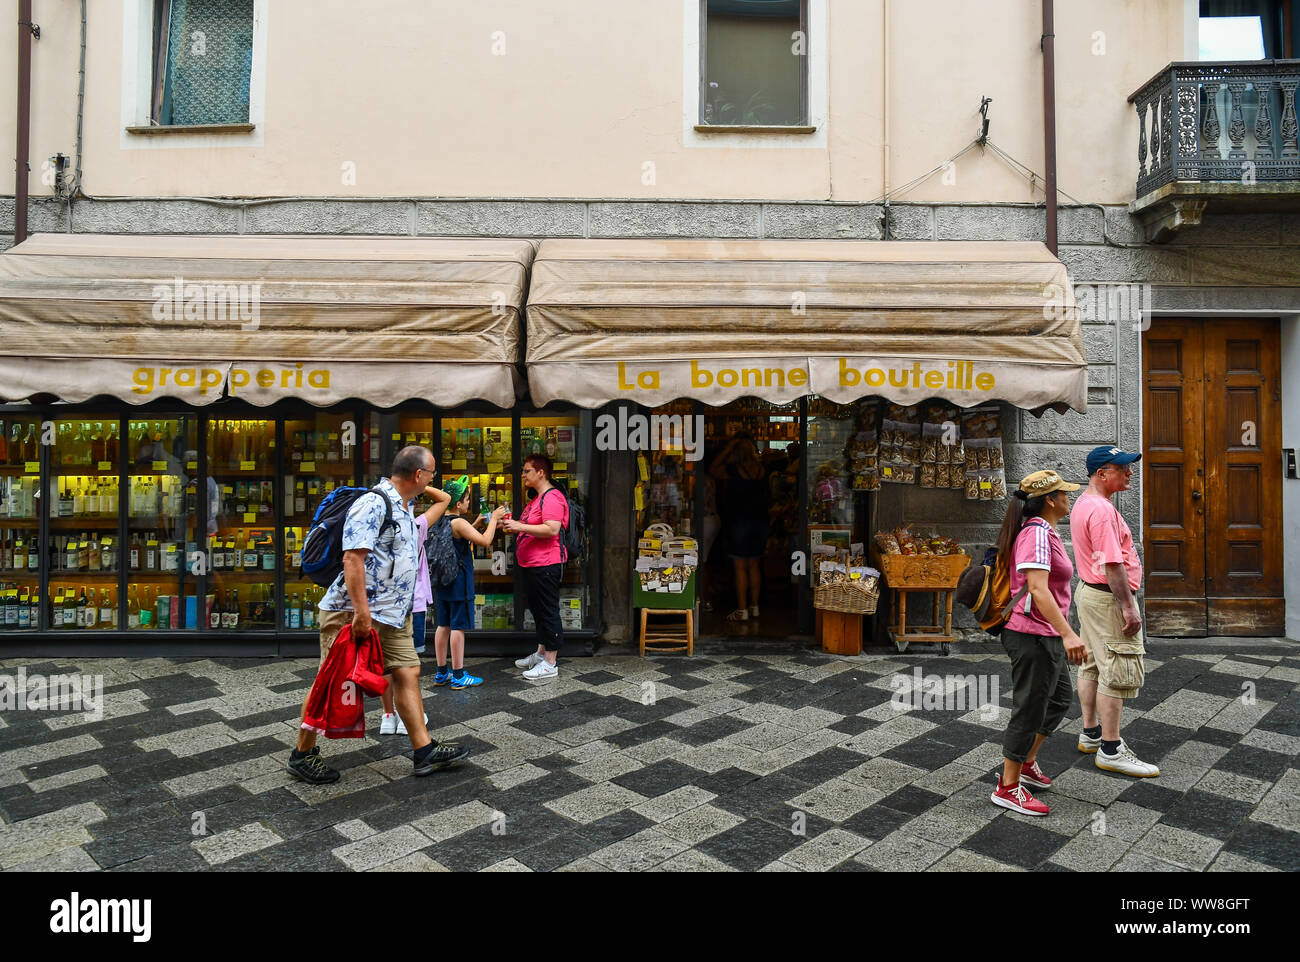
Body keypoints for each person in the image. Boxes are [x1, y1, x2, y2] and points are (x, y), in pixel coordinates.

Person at [287, 446, 469, 782]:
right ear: (418, 475)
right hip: (354, 614)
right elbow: (352, 559)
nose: (433, 479)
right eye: (430, 474)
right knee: (328, 680)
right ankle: (302, 753)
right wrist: (361, 613)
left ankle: (424, 751)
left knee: (407, 672)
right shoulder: (373, 504)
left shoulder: (404, 505)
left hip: (394, 615)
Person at [990, 470, 1087, 817]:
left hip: (1044, 634)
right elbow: (1038, 590)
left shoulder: (1046, 531)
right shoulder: (1035, 535)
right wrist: (1069, 632)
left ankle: (1027, 761)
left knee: (1059, 699)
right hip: (1031, 634)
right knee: (1030, 707)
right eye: (1065, 493)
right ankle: (1007, 786)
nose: (1069, 498)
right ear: (1050, 500)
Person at [1071, 446, 1159, 778]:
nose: (1130, 473)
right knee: (1117, 666)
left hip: (1089, 593)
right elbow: (1112, 563)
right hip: (1107, 598)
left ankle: (1091, 733)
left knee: (1092, 662)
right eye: (1123, 468)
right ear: (1102, 473)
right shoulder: (1103, 510)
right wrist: (1128, 606)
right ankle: (1111, 748)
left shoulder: (1084, 502)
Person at [379, 480, 451, 733]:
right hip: (413, 603)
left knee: (386, 663)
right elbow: (444, 499)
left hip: (382, 604)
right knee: (407, 666)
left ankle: (389, 716)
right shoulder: (417, 525)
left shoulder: (380, 525)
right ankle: (410, 714)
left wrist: (396, 484)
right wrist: (417, 484)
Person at [430, 476, 508, 689]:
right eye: (465, 500)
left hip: (442, 581)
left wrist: (475, 524)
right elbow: (484, 541)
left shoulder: (440, 519)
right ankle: (458, 674)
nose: (467, 503)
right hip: (459, 580)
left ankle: (441, 673)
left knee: (443, 625)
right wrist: (493, 519)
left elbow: (457, 537)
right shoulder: (459, 522)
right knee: (458, 627)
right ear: (458, 504)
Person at [504, 453, 569, 680]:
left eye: (527, 471)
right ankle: (542, 654)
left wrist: (519, 526)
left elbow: (551, 529)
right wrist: (515, 526)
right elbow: (531, 526)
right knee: (539, 610)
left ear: (540, 472)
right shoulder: (537, 498)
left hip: (546, 563)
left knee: (548, 610)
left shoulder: (551, 497)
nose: (523, 475)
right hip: (533, 564)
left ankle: (550, 662)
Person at [710, 434, 768, 622]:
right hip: (759, 522)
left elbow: (713, 469)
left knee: (740, 566)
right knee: (754, 565)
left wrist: (727, 448)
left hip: (739, 522)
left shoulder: (734, 469)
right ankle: (756, 606)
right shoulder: (761, 470)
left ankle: (742, 609)